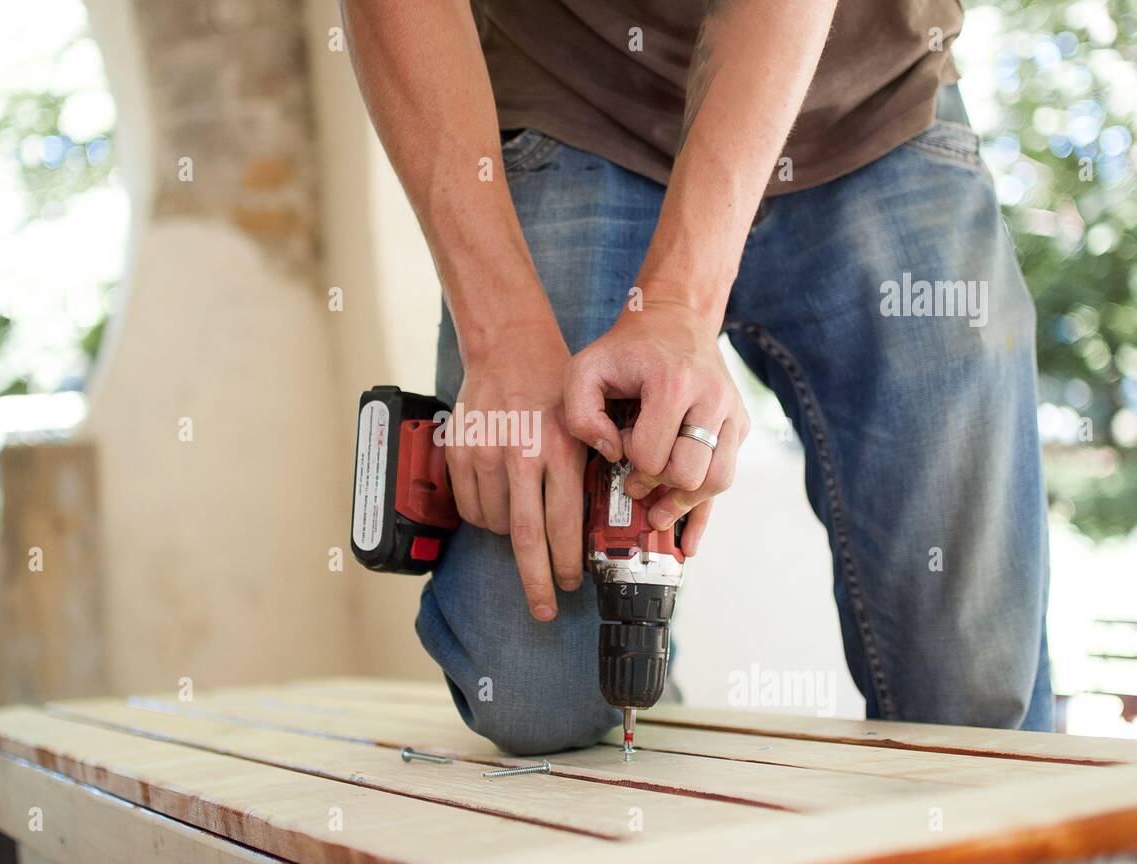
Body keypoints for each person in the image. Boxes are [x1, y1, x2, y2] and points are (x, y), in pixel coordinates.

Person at [342, 0, 1053, 754]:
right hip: (574, 92)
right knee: (537, 699)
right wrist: (502, 332)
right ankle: (645, 732)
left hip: (869, 105)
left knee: (973, 699)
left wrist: (679, 303)